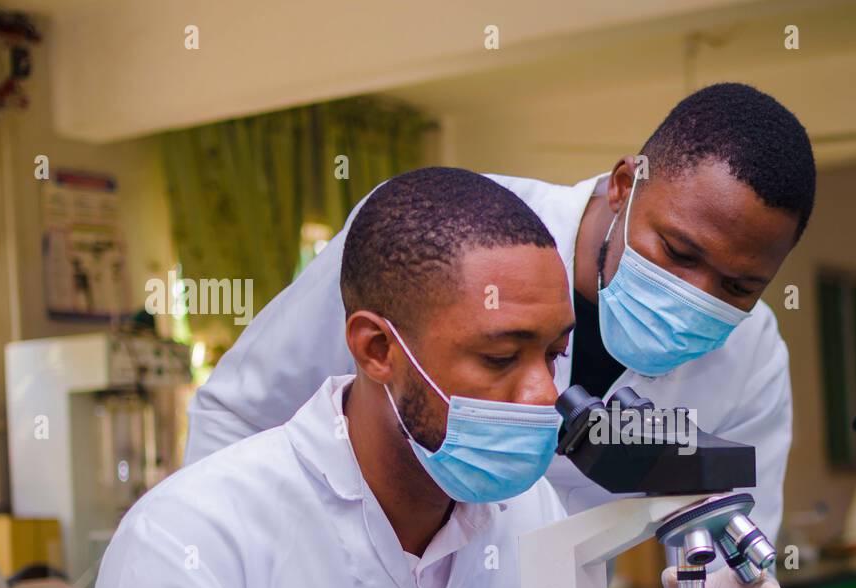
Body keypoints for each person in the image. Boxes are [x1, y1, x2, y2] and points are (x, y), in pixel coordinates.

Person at [74, 168, 819, 588]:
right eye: (501, 357)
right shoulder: (188, 545)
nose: (543, 396)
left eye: (556, 354)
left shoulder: (527, 509)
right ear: (376, 349)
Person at [184, 83, 816, 558]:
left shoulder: (751, 354)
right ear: (625, 185)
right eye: (677, 253)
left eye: (738, 287)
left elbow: (735, 543)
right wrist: (227, 582)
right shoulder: (442, 236)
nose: (692, 296)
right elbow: (240, 414)